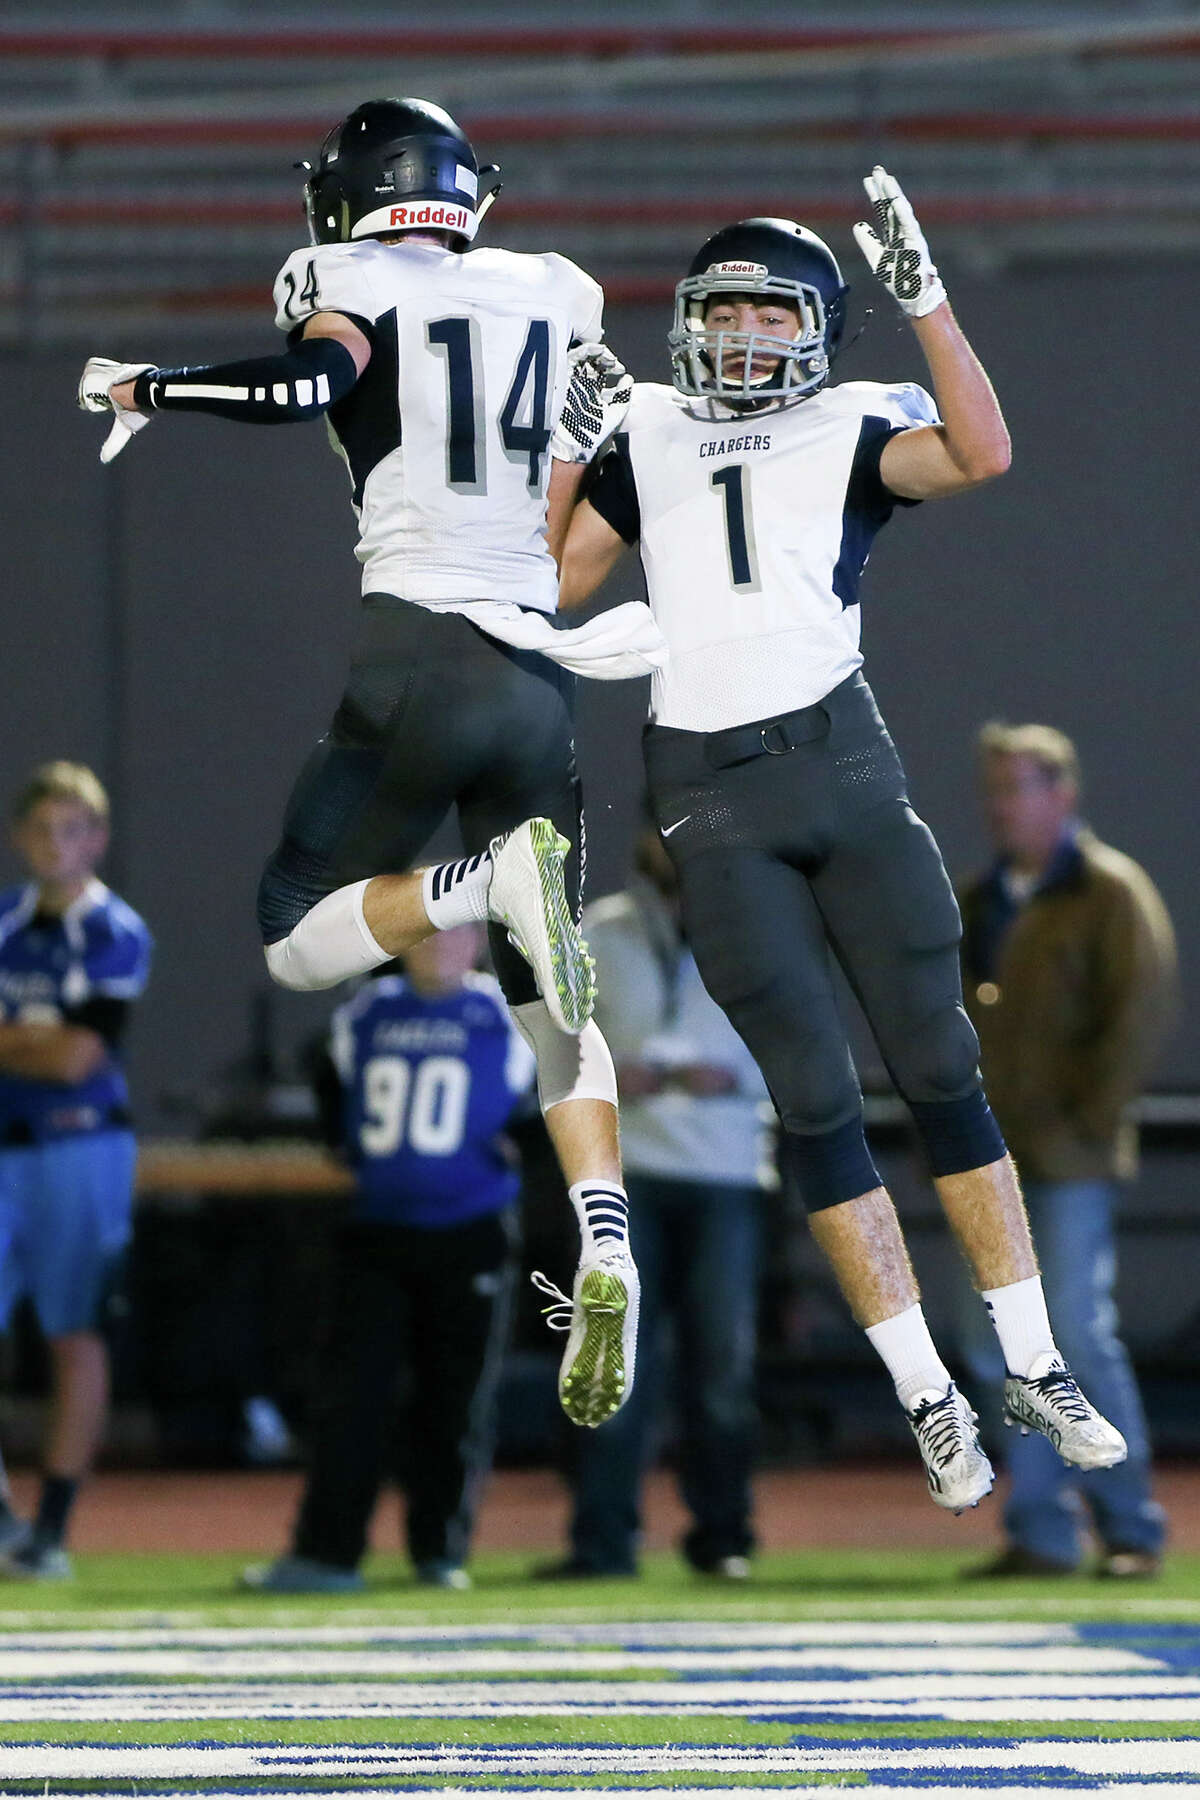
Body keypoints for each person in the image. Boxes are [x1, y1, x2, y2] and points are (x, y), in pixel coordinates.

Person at [555, 166, 1127, 1511]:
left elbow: (984, 453)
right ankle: (928, 1390)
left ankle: (1033, 1363)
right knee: (809, 1096)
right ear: (696, 322)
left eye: (773, 319)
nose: (749, 340)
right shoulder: (643, 420)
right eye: (729, 317)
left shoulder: (858, 416)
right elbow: (558, 579)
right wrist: (574, 445)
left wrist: (927, 304)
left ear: (815, 331)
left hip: (844, 761)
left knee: (939, 1061)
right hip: (707, 788)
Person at [77, 97, 650, 1430]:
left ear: (350, 195)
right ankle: (607, 1238)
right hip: (537, 678)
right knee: (549, 1014)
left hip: (419, 658)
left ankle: (475, 884)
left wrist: (150, 387)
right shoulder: (551, 293)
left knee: (290, 933)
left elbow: (314, 384)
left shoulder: (344, 279)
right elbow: (571, 499)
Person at [245, 924, 532, 1592]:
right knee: (353, 1398)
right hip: (377, 1232)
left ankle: (438, 1551)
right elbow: (330, 1094)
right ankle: (328, 1552)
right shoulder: (365, 1011)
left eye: (453, 931)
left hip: (470, 1230)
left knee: (454, 1401)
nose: (437, 945)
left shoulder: (509, 1016)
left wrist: (525, 1153)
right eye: (422, 931)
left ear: (479, 942)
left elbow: (552, 1106)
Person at [955, 722, 1178, 1578]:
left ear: (1063, 792)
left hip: (1070, 1160)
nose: (1001, 807)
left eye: (1017, 788)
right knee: (994, 1345)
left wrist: (1084, 1119)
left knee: (1080, 1334)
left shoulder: (1108, 890)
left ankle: (1130, 1527)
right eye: (995, 790)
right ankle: (1042, 1531)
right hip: (991, 1162)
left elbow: (1140, 1013)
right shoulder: (980, 899)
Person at [536, 814, 771, 1579]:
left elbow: (802, 1050)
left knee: (721, 1371)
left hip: (725, 1172)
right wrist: (610, 1073)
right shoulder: (602, 930)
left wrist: (732, 1077)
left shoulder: (758, 933)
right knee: (610, 1362)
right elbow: (556, 1043)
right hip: (626, 1177)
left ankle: (723, 1539)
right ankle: (601, 1542)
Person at [0, 762, 153, 1579]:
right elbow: (51, 1044)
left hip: (79, 1145)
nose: (55, 844)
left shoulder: (115, 930)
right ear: (21, 836)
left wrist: (24, 1039)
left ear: (96, 838)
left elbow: (77, 1056)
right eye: (42, 828)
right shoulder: (6, 922)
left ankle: (52, 1525)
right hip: (9, 1143)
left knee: (74, 1333)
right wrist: (37, 1036)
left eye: (72, 828)